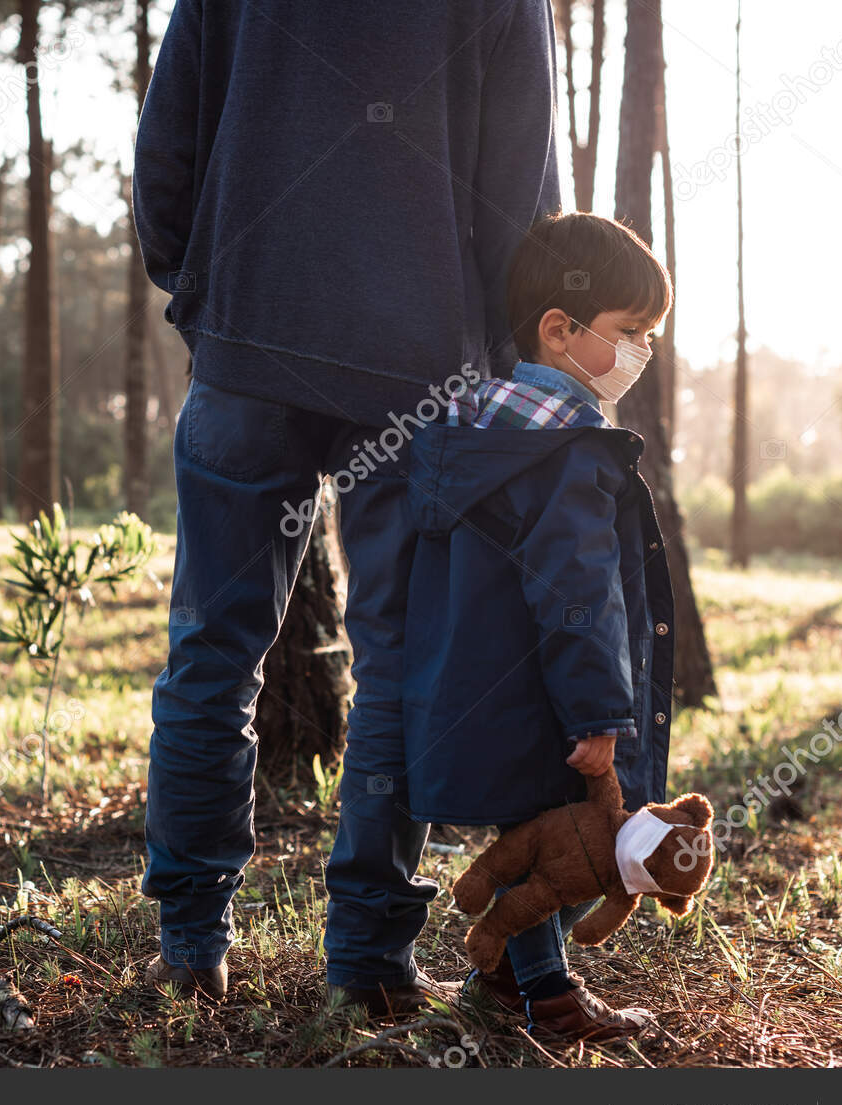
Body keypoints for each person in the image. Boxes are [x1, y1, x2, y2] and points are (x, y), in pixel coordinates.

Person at [131, 0, 561, 1015]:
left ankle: (191, 945)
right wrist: (492, 365)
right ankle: (367, 958)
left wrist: (204, 296)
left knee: (209, 651)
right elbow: (520, 198)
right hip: (417, 370)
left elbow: (167, 148)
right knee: (402, 660)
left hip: (247, 343)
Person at [400, 211, 677, 1042]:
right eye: (632, 333)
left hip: (486, 689)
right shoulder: (570, 451)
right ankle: (549, 997)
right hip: (554, 703)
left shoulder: (476, 437)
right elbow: (579, 591)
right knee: (568, 850)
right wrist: (598, 714)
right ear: (561, 330)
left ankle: (510, 986)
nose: (643, 353)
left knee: (531, 844)